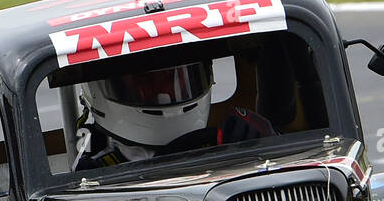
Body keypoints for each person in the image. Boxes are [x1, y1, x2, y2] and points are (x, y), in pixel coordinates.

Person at [73, 60, 274, 170]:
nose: (162, 91)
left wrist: (269, 144)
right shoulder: (96, 172)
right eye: (144, 80)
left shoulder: (228, 143)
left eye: (170, 78)